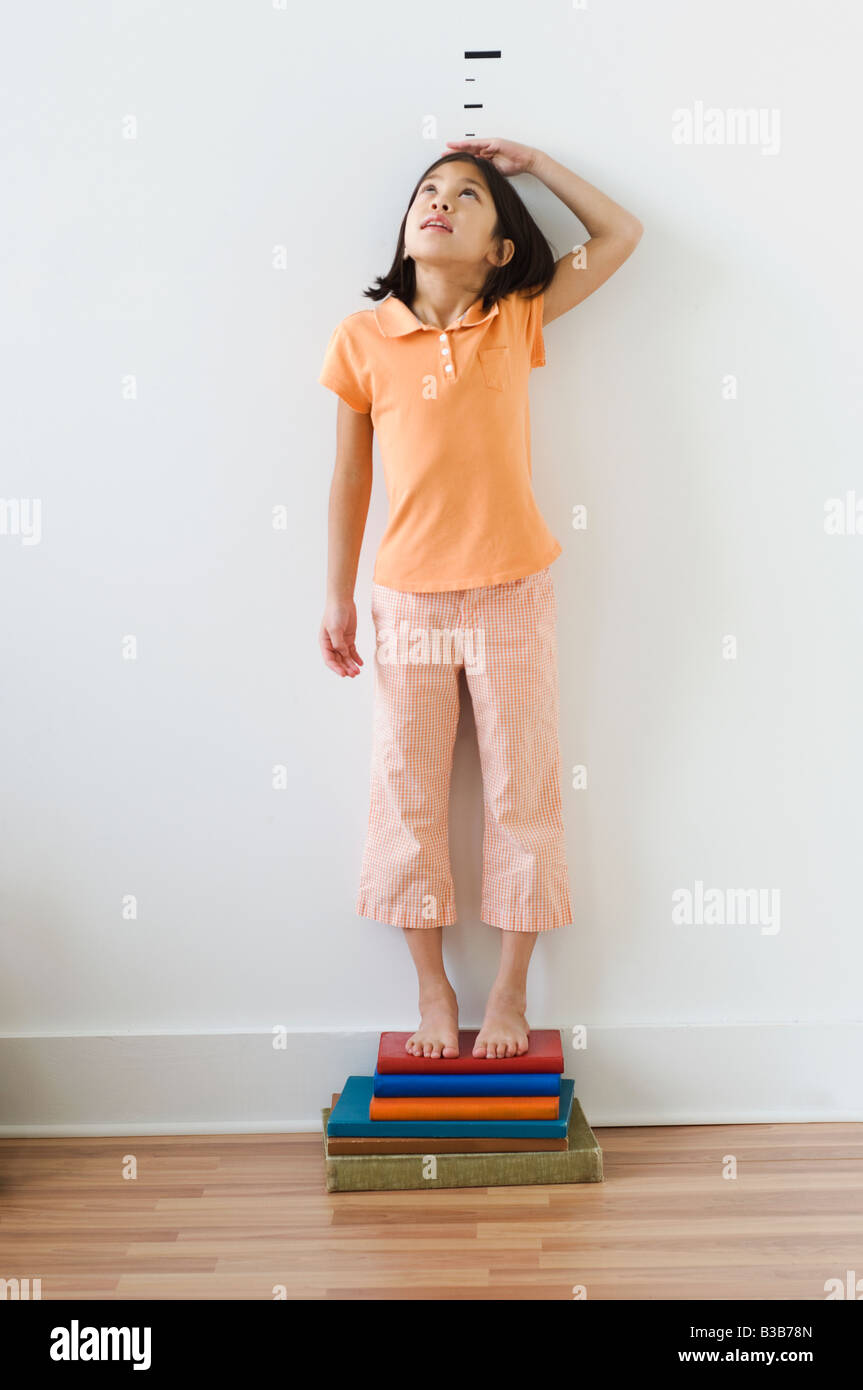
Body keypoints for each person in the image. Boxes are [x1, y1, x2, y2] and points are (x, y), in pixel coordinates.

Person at [318, 138, 642, 1062]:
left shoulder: (517, 317)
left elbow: (622, 234)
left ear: (500, 249)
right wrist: (336, 595)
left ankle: (508, 994)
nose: (440, 202)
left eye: (467, 196)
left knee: (522, 792)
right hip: (407, 603)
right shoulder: (362, 338)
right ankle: (432, 990)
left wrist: (535, 165)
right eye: (428, 191)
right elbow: (348, 477)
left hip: (511, 591)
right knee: (407, 795)